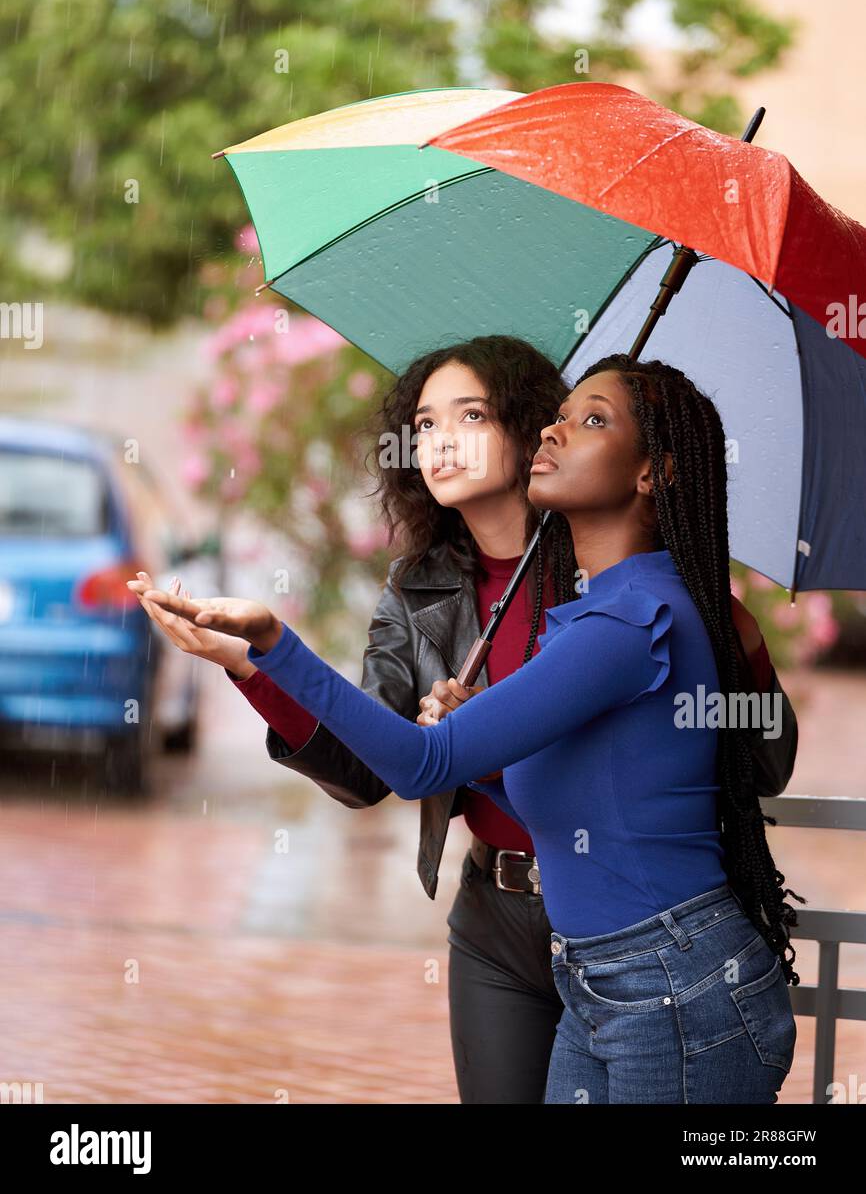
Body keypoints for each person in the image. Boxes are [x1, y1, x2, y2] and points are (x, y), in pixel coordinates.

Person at [132, 353, 802, 1104]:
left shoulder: (626, 617)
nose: (558, 430)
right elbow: (578, 804)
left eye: (591, 420)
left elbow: (420, 765)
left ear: (653, 472)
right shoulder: (572, 609)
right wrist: (479, 754)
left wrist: (275, 645)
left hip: (668, 976)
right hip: (592, 970)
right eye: (424, 423)